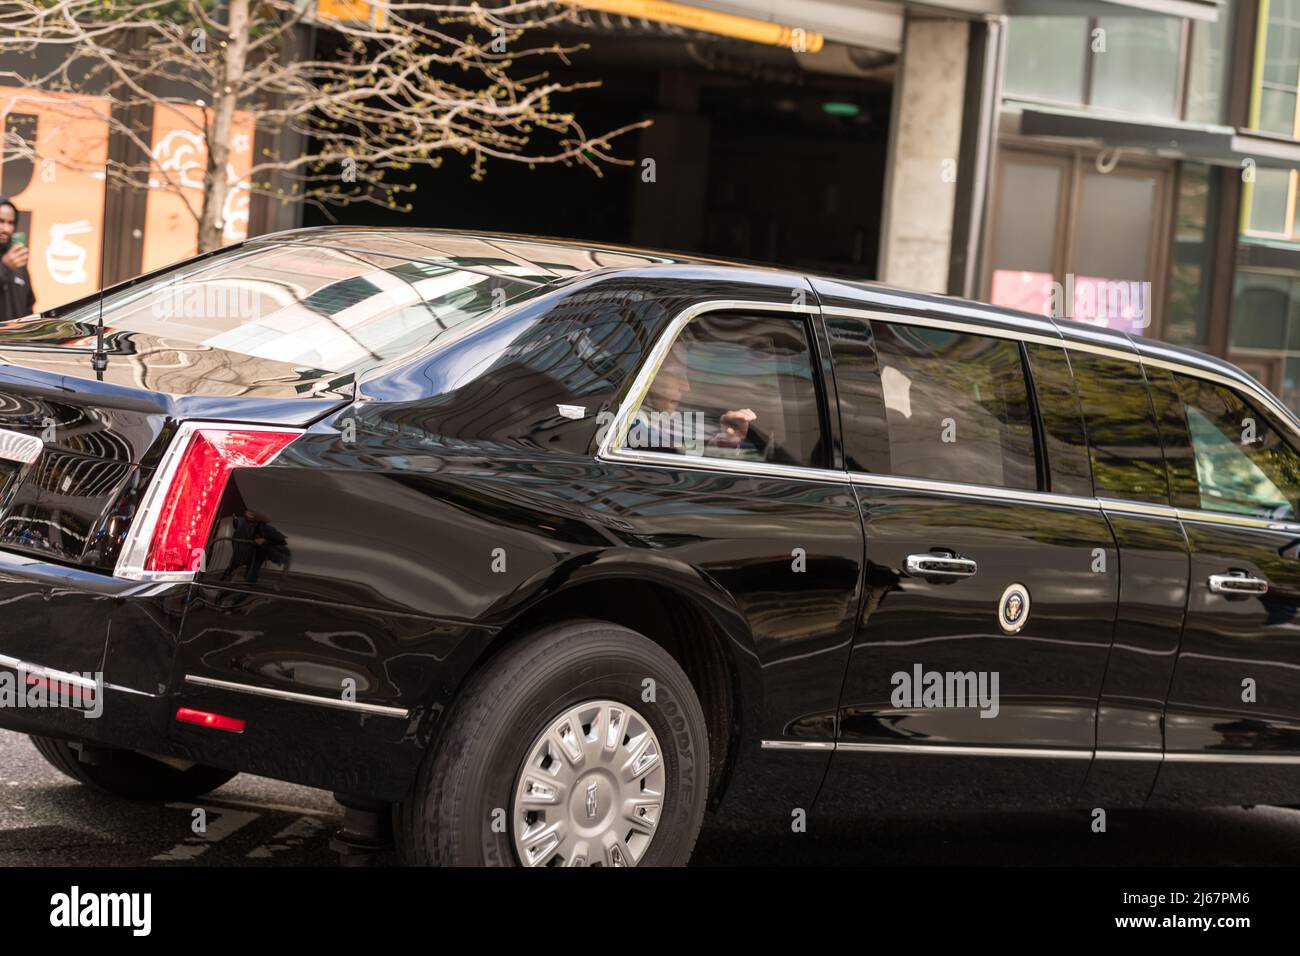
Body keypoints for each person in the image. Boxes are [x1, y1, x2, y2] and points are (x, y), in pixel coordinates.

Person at [0, 197, 35, 324]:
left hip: (14, 342)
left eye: (11, 223)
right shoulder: (9, 263)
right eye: (1, 221)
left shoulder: (17, 262)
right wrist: (4, 268)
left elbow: (29, 306)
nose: (6, 229)